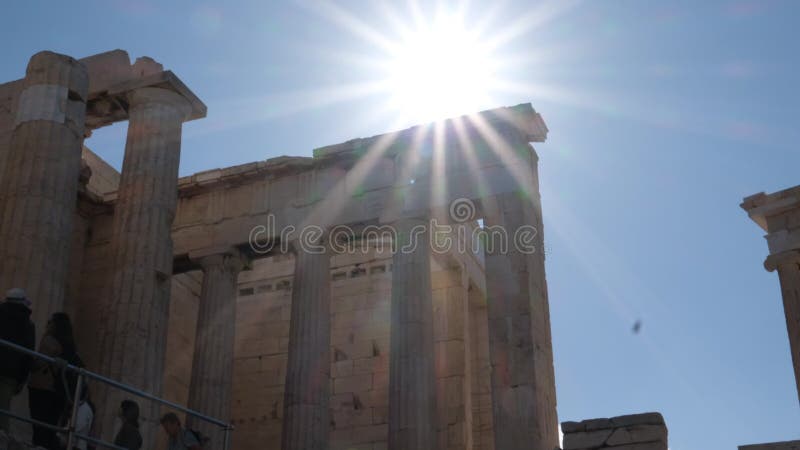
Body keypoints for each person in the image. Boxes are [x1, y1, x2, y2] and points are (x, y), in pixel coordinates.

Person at [28, 312, 78, 449]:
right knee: (49, 431)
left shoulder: (49, 341)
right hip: (59, 393)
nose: (46, 325)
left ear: (55, 325)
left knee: (39, 431)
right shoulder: (70, 346)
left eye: (49, 322)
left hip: (42, 388)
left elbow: (38, 363)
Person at [0, 288, 35, 433]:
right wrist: (22, 379)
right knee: (3, 408)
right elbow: (28, 354)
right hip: (11, 373)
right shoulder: (28, 324)